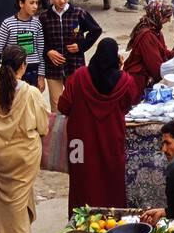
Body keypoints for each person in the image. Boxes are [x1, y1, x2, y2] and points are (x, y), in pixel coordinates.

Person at [0, 45, 49, 233]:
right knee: (18, 196)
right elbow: (43, 126)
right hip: (24, 153)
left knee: (4, 191)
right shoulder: (30, 93)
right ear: (23, 66)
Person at [58, 39, 135, 211]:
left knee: (81, 181)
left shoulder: (78, 76)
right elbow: (129, 103)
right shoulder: (125, 82)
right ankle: (112, 222)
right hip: (112, 141)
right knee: (112, 180)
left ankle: (80, 222)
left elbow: (63, 106)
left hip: (79, 145)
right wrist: (120, 70)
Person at [40, 0, 102, 109]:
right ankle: (59, 130)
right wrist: (48, 51)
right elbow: (40, 40)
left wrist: (81, 46)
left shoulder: (78, 13)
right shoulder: (44, 17)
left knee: (77, 103)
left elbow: (96, 30)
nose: (62, 1)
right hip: (53, 68)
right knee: (57, 106)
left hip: (75, 66)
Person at [0, 0, 46, 90]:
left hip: (32, 69)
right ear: (21, 3)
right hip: (12, 70)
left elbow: (41, 50)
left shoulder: (37, 23)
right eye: (31, 3)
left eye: (37, 3)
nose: (35, 6)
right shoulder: (8, 23)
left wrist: (41, 76)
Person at [123, 1, 174, 103]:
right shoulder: (147, 36)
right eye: (167, 17)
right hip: (139, 80)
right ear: (158, 15)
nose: (169, 20)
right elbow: (155, 66)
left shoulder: (155, 30)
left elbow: (164, 52)